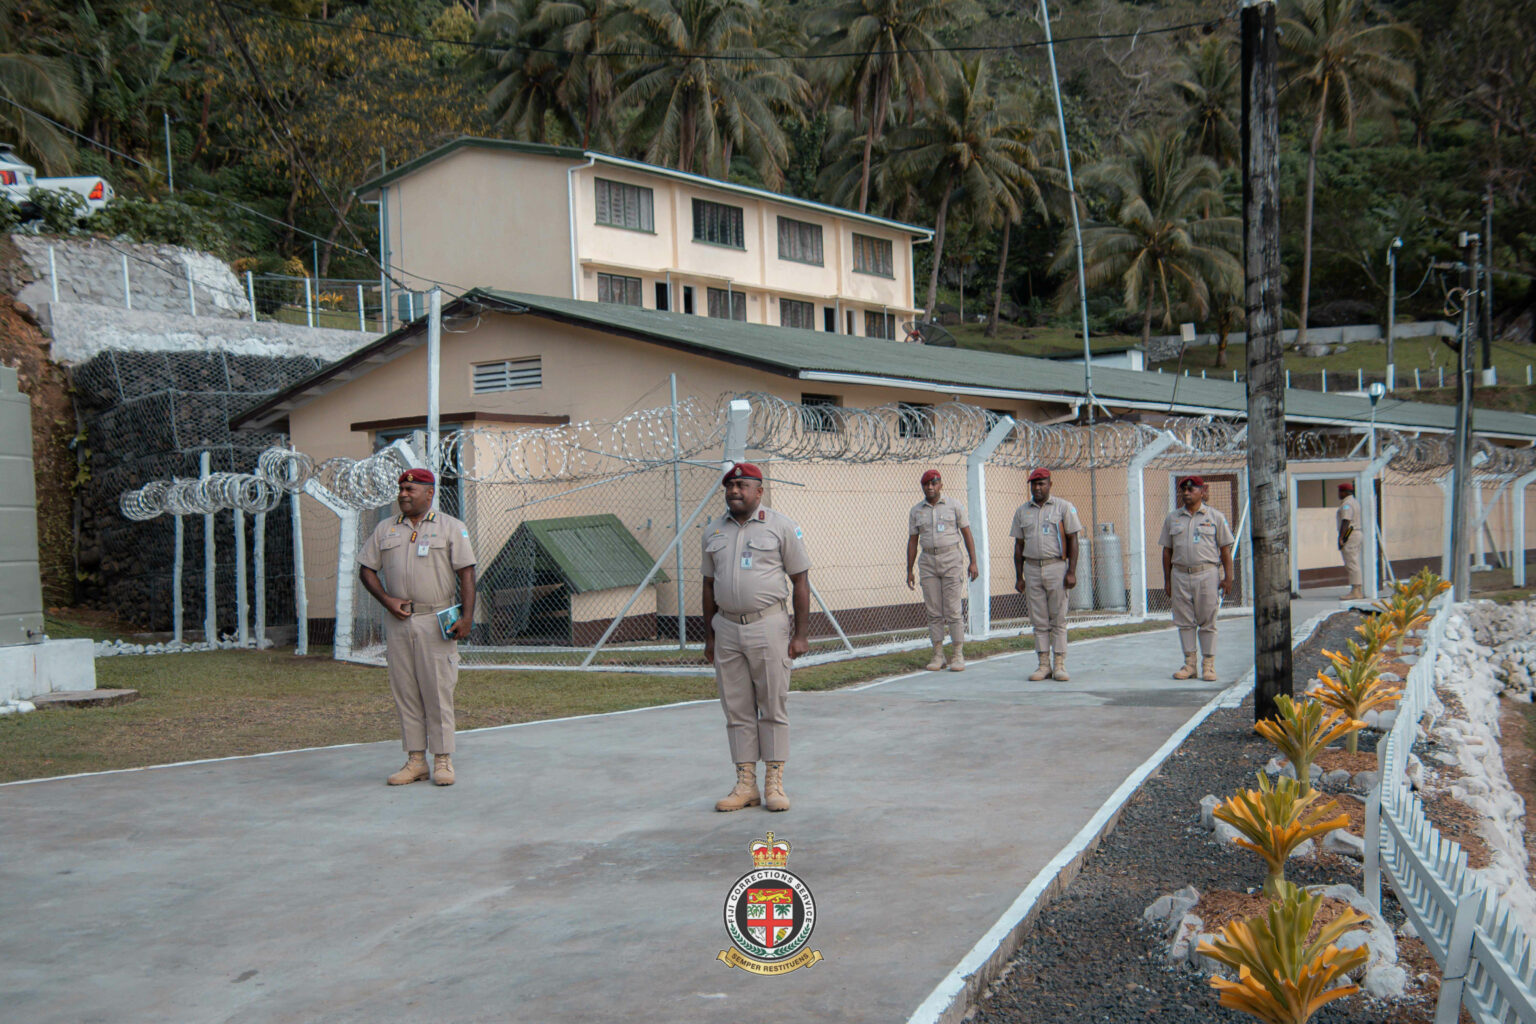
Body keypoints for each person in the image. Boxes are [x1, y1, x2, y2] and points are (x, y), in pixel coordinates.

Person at [702, 462, 811, 813]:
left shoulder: (781, 527)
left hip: (768, 626)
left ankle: (774, 782)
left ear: (759, 491)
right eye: (730, 487)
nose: (734, 492)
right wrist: (709, 636)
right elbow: (707, 585)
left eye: (743, 486)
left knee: (772, 705)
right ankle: (745, 783)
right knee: (736, 708)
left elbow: (800, 582)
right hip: (727, 628)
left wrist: (801, 635)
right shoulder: (713, 531)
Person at [358, 468, 477, 787]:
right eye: (401, 489)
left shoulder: (451, 527)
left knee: (438, 690)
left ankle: (442, 759)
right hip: (399, 622)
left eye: (411, 489)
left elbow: (467, 573)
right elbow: (366, 569)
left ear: (429, 493)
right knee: (406, 691)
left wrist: (467, 617)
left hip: (436, 620)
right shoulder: (386, 529)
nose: (403, 494)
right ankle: (415, 760)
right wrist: (386, 600)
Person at [1158, 475, 1235, 682]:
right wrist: (1167, 581)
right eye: (1184, 490)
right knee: (1184, 622)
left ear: (1203, 491)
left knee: (1208, 620)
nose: (1186, 493)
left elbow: (1225, 550)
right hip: (1180, 574)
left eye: (1192, 490)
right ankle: (1189, 664)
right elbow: (1167, 551)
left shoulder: (1215, 517)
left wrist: (1228, 578)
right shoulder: (1173, 518)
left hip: (1207, 574)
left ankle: (1208, 665)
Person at [1010, 468, 1083, 681]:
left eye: (1041, 483)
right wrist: (1019, 576)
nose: (1037, 488)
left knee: (1058, 618)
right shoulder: (1023, 511)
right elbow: (1018, 545)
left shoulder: (1063, 508)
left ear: (1050, 484)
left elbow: (1073, 540)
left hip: (1056, 567)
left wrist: (1071, 571)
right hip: (1032, 568)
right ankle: (1043, 664)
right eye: (1034, 484)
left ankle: (1059, 663)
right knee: (1039, 620)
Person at [905, 469, 980, 672]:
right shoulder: (916, 511)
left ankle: (957, 654)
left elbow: (967, 534)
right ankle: (938, 654)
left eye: (934, 483)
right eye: (926, 484)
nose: (930, 487)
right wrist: (909, 569)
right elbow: (913, 541)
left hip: (951, 559)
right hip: (928, 560)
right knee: (934, 611)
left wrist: (973, 562)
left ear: (941, 485)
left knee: (953, 610)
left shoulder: (954, 506)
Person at [1337, 482, 1364, 601]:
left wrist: (1341, 537)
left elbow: (1346, 521)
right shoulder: (1354, 502)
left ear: (1344, 492)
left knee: (1351, 563)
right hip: (1356, 533)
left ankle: (1356, 590)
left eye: (1340, 492)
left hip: (1350, 534)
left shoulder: (1347, 504)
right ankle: (1356, 589)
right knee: (1353, 561)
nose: (1338, 494)